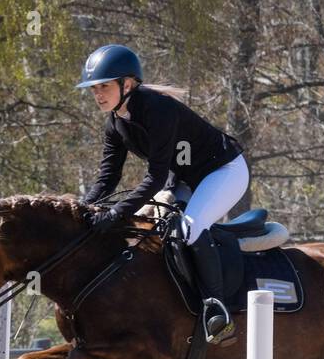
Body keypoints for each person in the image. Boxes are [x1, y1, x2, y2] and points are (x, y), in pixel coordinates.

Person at [77, 44, 248, 343]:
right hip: (185, 176)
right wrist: (83, 208)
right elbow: (108, 177)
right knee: (155, 230)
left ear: (127, 84)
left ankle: (216, 309)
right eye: (94, 88)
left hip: (223, 171)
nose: (98, 94)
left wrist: (117, 212)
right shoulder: (115, 124)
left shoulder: (158, 110)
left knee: (187, 229)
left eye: (104, 86)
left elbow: (155, 178)